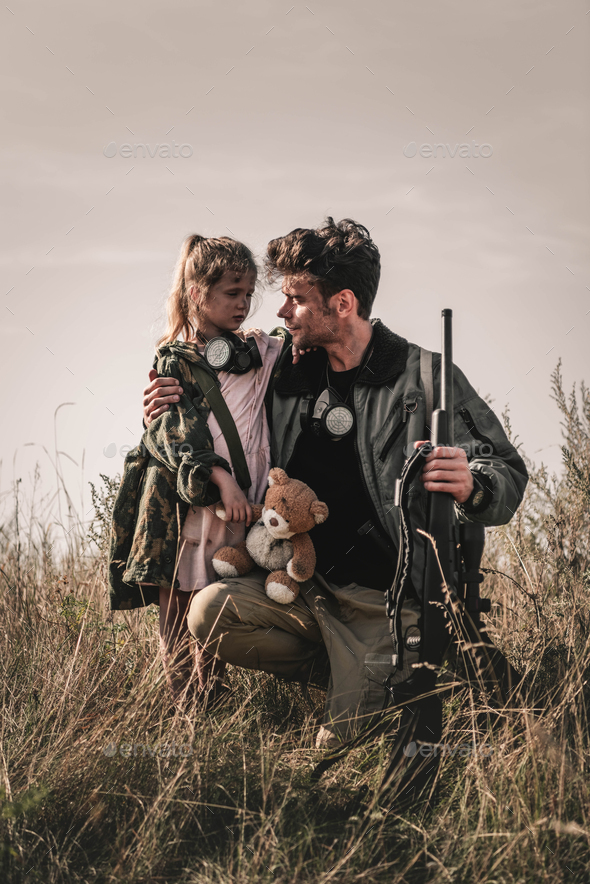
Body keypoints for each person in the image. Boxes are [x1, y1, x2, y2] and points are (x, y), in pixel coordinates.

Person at [141, 218, 528, 747]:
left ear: (342, 303)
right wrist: (164, 404)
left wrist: (471, 482)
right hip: (303, 586)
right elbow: (212, 379)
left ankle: (382, 669)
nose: (280, 311)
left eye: (295, 298)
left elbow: (505, 470)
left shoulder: (425, 376)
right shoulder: (285, 370)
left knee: (335, 749)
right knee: (212, 611)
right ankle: (356, 672)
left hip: (382, 599)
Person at [109, 233, 284, 706]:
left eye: (249, 293)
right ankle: (184, 703)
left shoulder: (256, 353)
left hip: (237, 511)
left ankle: (215, 701)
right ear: (196, 294)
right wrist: (221, 478)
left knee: (214, 598)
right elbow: (178, 431)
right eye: (232, 293)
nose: (244, 303)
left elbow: (294, 341)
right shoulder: (175, 360)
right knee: (179, 600)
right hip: (189, 506)